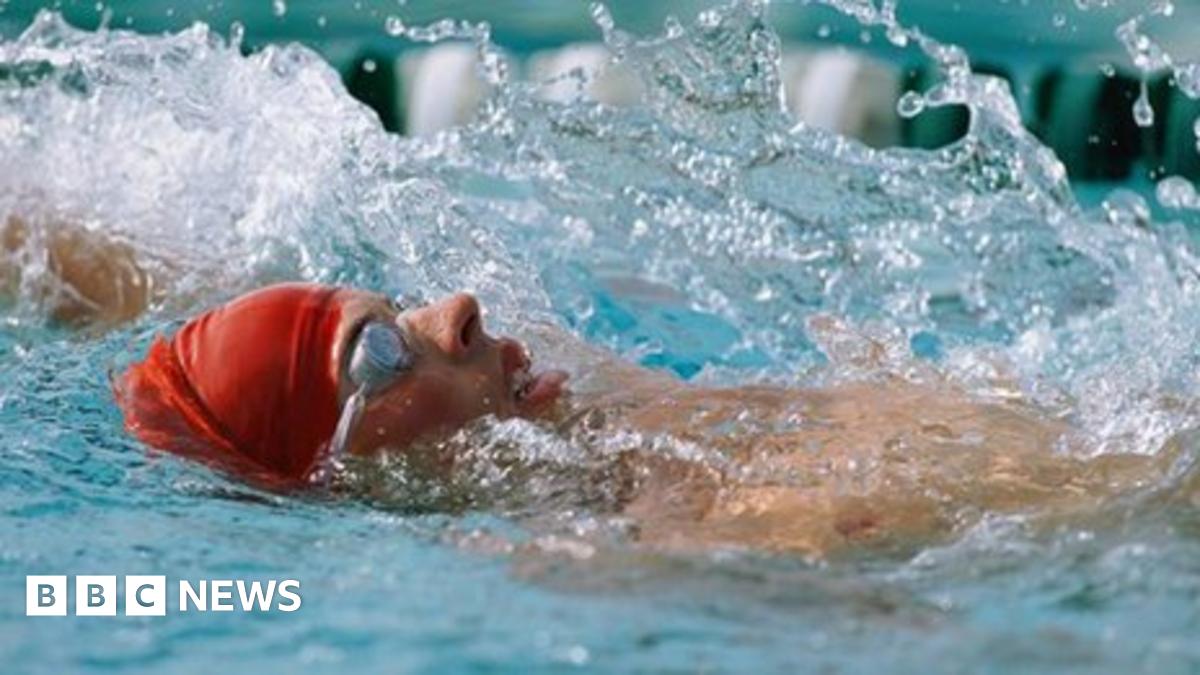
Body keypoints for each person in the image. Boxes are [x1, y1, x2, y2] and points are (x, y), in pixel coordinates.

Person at [3, 210, 1191, 557]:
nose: (458, 311)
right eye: (381, 356)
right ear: (341, 473)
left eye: (396, 306)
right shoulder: (629, 553)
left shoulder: (603, 421)